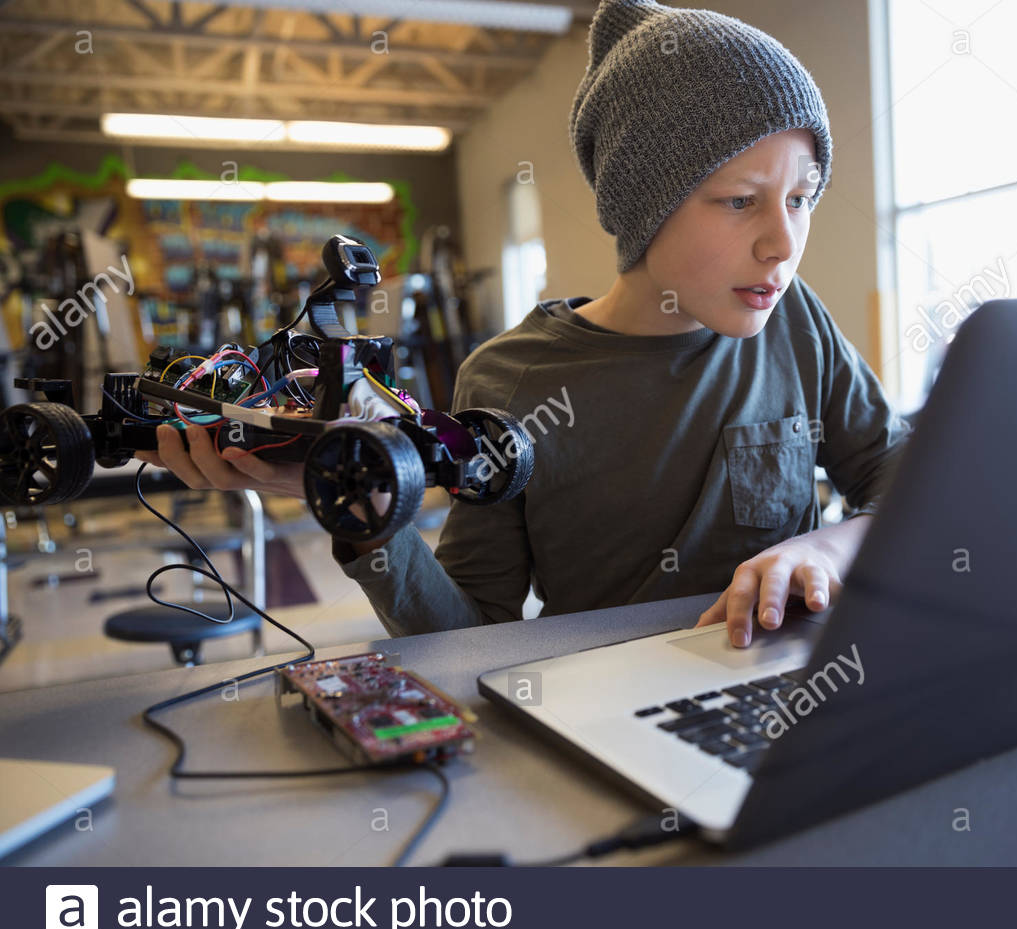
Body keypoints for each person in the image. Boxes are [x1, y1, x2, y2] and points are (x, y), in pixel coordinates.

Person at [136, 0, 912, 649]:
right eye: (741, 199)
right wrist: (373, 525)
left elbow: (902, 472)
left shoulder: (796, 322)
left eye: (801, 197)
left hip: (792, 698)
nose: (783, 242)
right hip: (609, 731)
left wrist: (828, 543)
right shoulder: (511, 381)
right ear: (642, 204)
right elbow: (473, 632)